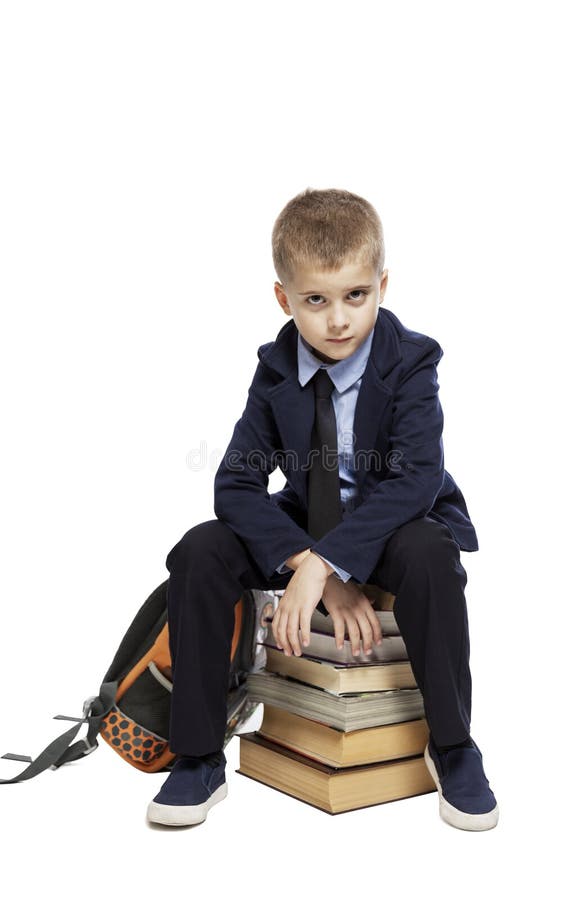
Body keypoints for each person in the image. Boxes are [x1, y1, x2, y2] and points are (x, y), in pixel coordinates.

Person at [146, 187, 499, 832]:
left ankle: (454, 746)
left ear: (381, 285)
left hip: (391, 525)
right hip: (303, 528)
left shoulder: (412, 360)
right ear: (284, 299)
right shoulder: (275, 367)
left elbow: (417, 478)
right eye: (316, 300)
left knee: (428, 552)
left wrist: (329, 566)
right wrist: (308, 563)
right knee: (201, 548)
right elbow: (235, 483)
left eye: (354, 297)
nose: (338, 320)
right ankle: (197, 757)